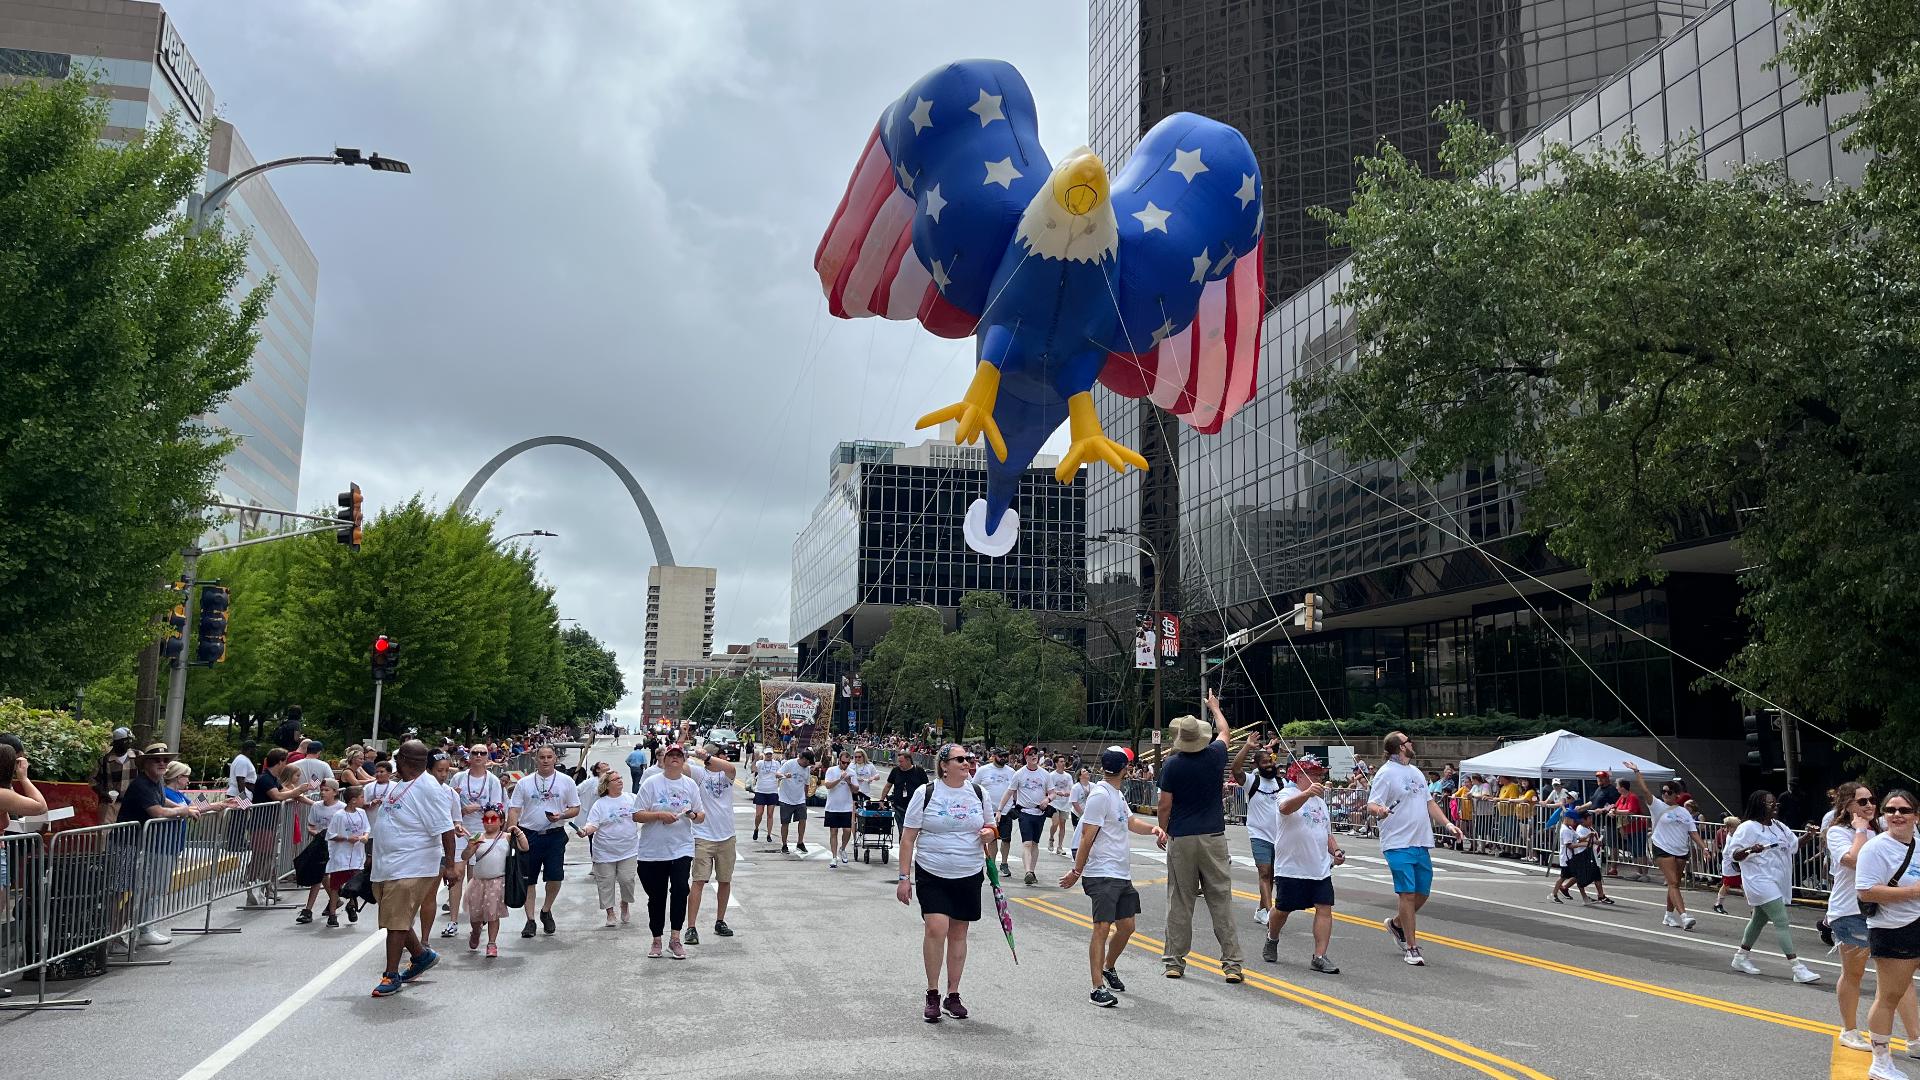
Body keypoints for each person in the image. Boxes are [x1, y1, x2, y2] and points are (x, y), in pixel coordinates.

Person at [1061, 746, 1166, 1008]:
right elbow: (1087, 837)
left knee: (1127, 926)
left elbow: (1130, 823)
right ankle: (1096, 988)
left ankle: (1108, 967)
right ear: (1125, 769)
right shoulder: (1100, 795)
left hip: (1120, 872)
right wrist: (1077, 871)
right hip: (1101, 872)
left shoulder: (1116, 794)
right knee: (1102, 927)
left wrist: (1154, 829)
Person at [897, 743, 996, 1022]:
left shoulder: (979, 793)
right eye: (960, 759)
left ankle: (953, 995)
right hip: (932, 871)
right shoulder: (926, 793)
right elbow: (908, 838)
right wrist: (904, 878)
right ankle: (932, 993)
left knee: (959, 933)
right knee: (936, 928)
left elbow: (991, 826)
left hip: (969, 871)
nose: (967, 763)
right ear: (944, 765)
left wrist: (990, 833)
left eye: (968, 759)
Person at [1828, 782, 1920, 1059]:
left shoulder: (1883, 828)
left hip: (1889, 912)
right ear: (1847, 805)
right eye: (1861, 801)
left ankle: (1914, 1038)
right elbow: (1853, 860)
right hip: (1852, 910)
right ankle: (1849, 1030)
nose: (1869, 806)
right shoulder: (1838, 832)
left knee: (1899, 980)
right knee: (1854, 973)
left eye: (1871, 800)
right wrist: (1859, 830)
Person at [1156, 691, 1243, 982]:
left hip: (1182, 836)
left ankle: (1174, 962)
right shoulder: (1216, 755)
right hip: (1213, 835)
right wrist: (1215, 708)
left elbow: (1165, 804)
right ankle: (1232, 964)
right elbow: (1225, 732)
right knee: (1220, 900)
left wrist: (1163, 830)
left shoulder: (1172, 765)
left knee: (1180, 900)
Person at [1366, 730, 1465, 967]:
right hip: (1397, 842)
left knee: (1422, 893)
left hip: (1420, 841)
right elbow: (1371, 804)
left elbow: (1429, 803)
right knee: (1407, 894)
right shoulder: (1386, 773)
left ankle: (1396, 924)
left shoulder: (1416, 772)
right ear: (1401, 747)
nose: (1412, 744)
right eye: (1408, 741)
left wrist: (1448, 824)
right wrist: (1380, 810)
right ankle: (1411, 947)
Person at [367, 740, 454, 998]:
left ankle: (391, 975)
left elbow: (446, 828)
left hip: (413, 863)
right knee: (394, 915)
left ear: (404, 761)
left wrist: (450, 866)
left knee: (396, 921)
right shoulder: (403, 784)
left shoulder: (428, 788)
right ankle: (421, 956)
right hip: (389, 863)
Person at [1857, 789, 1920, 1079]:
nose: (1897, 815)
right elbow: (1866, 891)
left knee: (1895, 993)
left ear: (1916, 816)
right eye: (1890, 810)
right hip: (1893, 929)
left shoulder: (1918, 842)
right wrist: (1912, 892)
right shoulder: (1875, 848)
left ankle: (1915, 1040)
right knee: (1889, 996)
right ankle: (1880, 1062)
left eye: (1904, 810)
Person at [1262, 754, 1344, 973]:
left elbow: (1326, 833)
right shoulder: (1286, 793)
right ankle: (1272, 937)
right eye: (1314, 773)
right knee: (1283, 909)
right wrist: (1306, 794)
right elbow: (1285, 809)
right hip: (1292, 867)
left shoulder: (1321, 803)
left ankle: (1320, 956)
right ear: (1299, 775)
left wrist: (1336, 851)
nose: (1319, 778)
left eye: (1320, 774)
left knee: (1324, 908)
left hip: (1319, 868)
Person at [1728, 789, 1819, 983]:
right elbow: (1734, 855)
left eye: (1775, 802)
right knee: (1781, 919)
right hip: (1758, 880)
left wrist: (1809, 836)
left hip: (1777, 880)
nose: (1775, 806)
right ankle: (1797, 967)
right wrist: (1751, 849)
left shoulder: (1779, 826)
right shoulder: (1747, 827)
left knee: (1758, 920)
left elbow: (1794, 846)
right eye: (1770, 803)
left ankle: (1740, 957)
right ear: (1759, 805)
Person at [635, 744, 704, 959]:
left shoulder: (690, 784)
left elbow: (701, 815)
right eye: (671, 755)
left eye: (678, 756)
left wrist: (692, 815)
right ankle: (656, 939)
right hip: (654, 849)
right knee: (657, 896)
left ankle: (675, 938)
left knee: (681, 890)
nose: (675, 758)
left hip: (681, 847)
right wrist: (659, 815)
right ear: (664, 760)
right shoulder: (651, 783)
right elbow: (636, 814)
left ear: (684, 761)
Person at [504, 745, 580, 938]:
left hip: (555, 835)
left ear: (555, 759)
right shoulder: (524, 783)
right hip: (529, 835)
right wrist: (512, 832)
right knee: (528, 879)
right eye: (542, 757)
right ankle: (530, 920)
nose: (545, 760)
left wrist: (561, 815)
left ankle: (546, 910)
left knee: (555, 877)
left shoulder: (566, 781)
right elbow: (514, 809)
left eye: (549, 757)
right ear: (535, 759)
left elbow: (575, 808)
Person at [1623, 762, 1699, 928]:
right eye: (1663, 791)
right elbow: (1645, 790)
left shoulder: (1684, 812)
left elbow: (1693, 832)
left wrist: (1704, 848)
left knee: (1674, 884)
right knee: (1673, 882)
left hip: (1680, 850)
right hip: (1662, 847)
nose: (1665, 794)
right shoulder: (1657, 805)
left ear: (1677, 795)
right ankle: (1684, 916)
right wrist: (1637, 771)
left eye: (1668, 792)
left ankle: (1668, 916)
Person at [685, 743, 739, 943]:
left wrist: (707, 757)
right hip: (703, 835)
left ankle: (720, 921)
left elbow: (731, 768)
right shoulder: (700, 774)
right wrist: (683, 744)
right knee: (698, 880)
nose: (725, 759)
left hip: (727, 836)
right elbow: (683, 767)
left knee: (725, 880)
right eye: (722, 755)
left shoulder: (727, 775)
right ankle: (691, 927)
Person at [581, 770, 640, 928]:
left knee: (627, 880)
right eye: (615, 779)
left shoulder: (631, 798)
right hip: (604, 851)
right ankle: (610, 913)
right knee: (605, 883)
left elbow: (643, 813)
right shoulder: (600, 804)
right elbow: (592, 824)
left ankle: (625, 903)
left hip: (628, 849)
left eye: (620, 778)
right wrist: (585, 831)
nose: (620, 781)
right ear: (607, 785)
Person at [1234, 736, 1283, 923]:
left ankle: (1261, 909)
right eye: (1264, 762)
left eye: (1270, 761)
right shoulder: (1251, 781)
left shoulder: (1282, 783)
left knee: (1272, 877)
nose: (1269, 765)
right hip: (1259, 836)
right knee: (1264, 872)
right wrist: (1247, 746)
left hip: (1279, 837)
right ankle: (1270, 913)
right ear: (1257, 765)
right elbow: (1236, 769)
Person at [462, 809, 523, 957]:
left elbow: (525, 847)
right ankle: (475, 931)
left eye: (493, 819)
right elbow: (465, 856)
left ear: (501, 821)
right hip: (478, 882)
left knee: (492, 914)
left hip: (497, 882)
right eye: (486, 819)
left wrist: (519, 833)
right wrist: (470, 847)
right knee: (475, 915)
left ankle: (492, 943)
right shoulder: (478, 837)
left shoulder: (507, 837)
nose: (489, 822)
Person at [999, 746, 1051, 886]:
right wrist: (1000, 810)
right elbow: (1009, 792)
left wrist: (1047, 799)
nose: (1034, 756)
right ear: (1026, 757)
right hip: (1025, 812)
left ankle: (1032, 871)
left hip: (1039, 813)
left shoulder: (1045, 774)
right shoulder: (1019, 774)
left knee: (1035, 843)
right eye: (1031, 754)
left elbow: (1052, 792)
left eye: (1036, 754)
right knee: (1027, 843)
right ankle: (1027, 872)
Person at [295, 779, 344, 924]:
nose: (323, 793)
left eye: (326, 790)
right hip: (321, 844)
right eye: (322, 790)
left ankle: (333, 903)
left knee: (325, 875)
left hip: (336, 846)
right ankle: (310, 909)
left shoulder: (342, 808)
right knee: (319, 875)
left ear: (335, 792)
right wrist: (316, 833)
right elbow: (310, 826)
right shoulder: (316, 806)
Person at [323, 786, 370, 928]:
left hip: (357, 856)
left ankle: (351, 905)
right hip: (341, 855)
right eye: (362, 797)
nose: (363, 800)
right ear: (353, 800)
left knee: (354, 884)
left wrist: (365, 836)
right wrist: (346, 838)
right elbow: (330, 835)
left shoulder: (362, 813)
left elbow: (367, 828)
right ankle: (332, 914)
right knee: (336, 885)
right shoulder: (339, 815)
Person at [1551, 807, 1611, 904]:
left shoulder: (1570, 828)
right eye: (1573, 820)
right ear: (1567, 818)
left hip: (1572, 857)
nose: (1574, 822)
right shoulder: (1565, 830)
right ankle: (1553, 894)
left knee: (1578, 877)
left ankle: (1584, 898)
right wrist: (1583, 844)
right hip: (1567, 858)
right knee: (1563, 877)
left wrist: (1588, 836)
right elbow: (1569, 845)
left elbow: (1578, 838)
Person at [974, 747, 1018, 876]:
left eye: (1005, 756)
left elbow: (1015, 790)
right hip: (989, 811)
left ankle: (1004, 863)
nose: (1003, 758)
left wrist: (1016, 805)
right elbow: (974, 786)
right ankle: (992, 864)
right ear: (994, 756)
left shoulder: (1011, 772)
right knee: (992, 838)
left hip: (1006, 811)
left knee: (1006, 839)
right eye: (1000, 756)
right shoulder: (983, 770)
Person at [91, 727, 138, 824]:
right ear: (117, 742)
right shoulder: (104, 761)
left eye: (130, 740)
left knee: (129, 831)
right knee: (105, 831)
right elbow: (92, 780)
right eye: (126, 741)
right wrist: (103, 793)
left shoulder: (138, 757)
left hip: (132, 805)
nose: (129, 743)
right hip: (110, 806)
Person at [881, 751, 929, 843]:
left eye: (901, 761)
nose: (899, 764)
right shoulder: (895, 771)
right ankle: (903, 850)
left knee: (915, 832)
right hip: (899, 807)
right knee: (903, 832)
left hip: (916, 807)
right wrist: (881, 800)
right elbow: (888, 786)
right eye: (898, 761)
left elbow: (926, 788)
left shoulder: (919, 771)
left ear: (908, 760)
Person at [823, 749, 858, 869]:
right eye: (843, 762)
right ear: (839, 760)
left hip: (846, 806)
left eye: (848, 763)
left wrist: (849, 782)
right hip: (833, 806)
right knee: (834, 831)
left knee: (847, 830)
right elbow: (827, 786)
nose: (845, 765)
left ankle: (842, 848)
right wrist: (839, 779)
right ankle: (834, 857)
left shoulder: (852, 772)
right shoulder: (831, 770)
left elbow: (856, 790)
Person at [775, 748, 812, 855]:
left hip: (800, 799)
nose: (807, 764)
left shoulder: (807, 769)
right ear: (803, 759)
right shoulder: (790, 763)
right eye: (807, 762)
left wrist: (805, 798)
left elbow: (806, 784)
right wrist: (784, 776)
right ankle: (784, 844)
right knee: (785, 822)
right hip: (786, 798)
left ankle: (800, 842)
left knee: (803, 819)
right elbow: (777, 774)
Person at [750, 747, 781, 843]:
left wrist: (783, 776)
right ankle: (756, 828)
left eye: (770, 754)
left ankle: (769, 834)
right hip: (761, 791)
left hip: (772, 791)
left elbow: (779, 774)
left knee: (770, 814)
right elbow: (753, 769)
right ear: (764, 754)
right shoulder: (760, 763)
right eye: (767, 754)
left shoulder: (776, 763)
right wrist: (755, 759)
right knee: (759, 814)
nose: (769, 756)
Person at [1046, 754, 1074, 856]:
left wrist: (1068, 793)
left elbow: (1072, 788)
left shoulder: (1068, 776)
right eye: (1061, 762)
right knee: (1055, 822)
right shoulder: (1051, 775)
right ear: (1056, 763)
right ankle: (1051, 838)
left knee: (1063, 824)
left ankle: (1060, 847)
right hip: (1054, 803)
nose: (1063, 763)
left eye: (1063, 761)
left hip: (1065, 803)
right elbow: (1049, 789)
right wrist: (1057, 792)